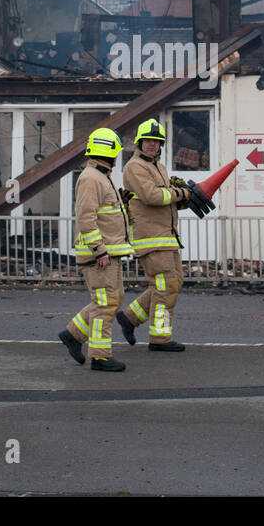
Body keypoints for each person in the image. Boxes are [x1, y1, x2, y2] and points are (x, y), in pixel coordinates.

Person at [59, 127, 134, 372]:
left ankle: (73, 334)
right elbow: (86, 218)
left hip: (108, 253)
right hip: (100, 255)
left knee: (113, 298)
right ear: (110, 151)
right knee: (105, 302)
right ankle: (100, 357)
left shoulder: (101, 175)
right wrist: (99, 250)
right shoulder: (92, 178)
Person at [116, 118, 187, 352]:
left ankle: (129, 318)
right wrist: (180, 192)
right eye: (148, 140)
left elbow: (166, 198)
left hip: (166, 236)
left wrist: (184, 198)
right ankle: (160, 338)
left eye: (156, 142)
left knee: (173, 283)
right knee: (166, 286)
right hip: (151, 238)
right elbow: (152, 197)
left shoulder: (159, 166)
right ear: (139, 141)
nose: (152, 145)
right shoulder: (135, 167)